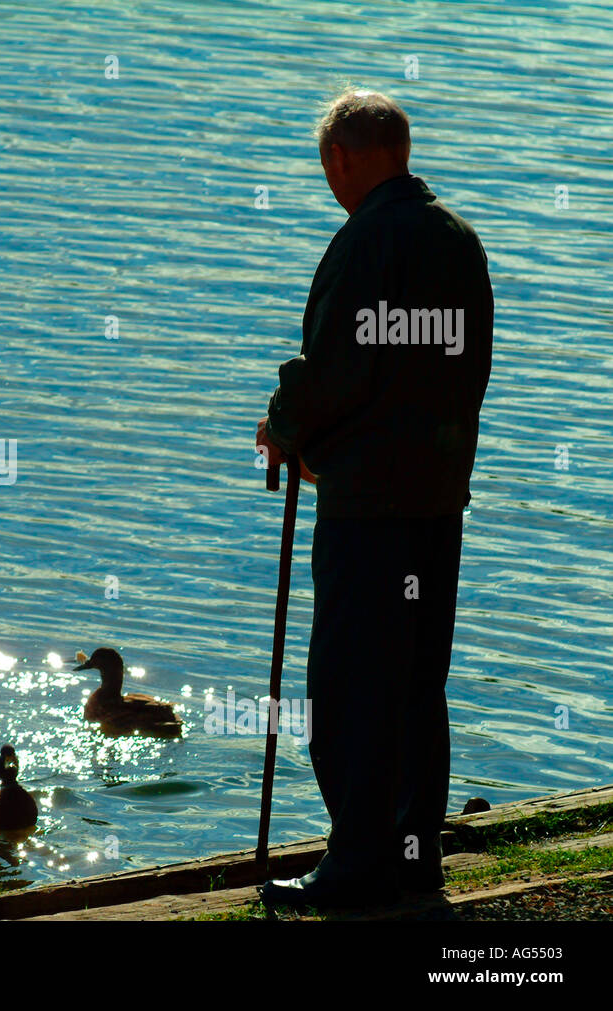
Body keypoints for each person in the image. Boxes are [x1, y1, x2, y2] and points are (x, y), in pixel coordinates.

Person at [255, 88, 494, 909]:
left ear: (342, 158)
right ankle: (411, 858)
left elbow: (337, 371)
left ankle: (356, 868)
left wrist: (290, 429)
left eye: (328, 162)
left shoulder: (366, 245)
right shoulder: (459, 242)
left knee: (352, 684)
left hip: (370, 510)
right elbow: (457, 371)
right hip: (436, 501)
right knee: (416, 682)